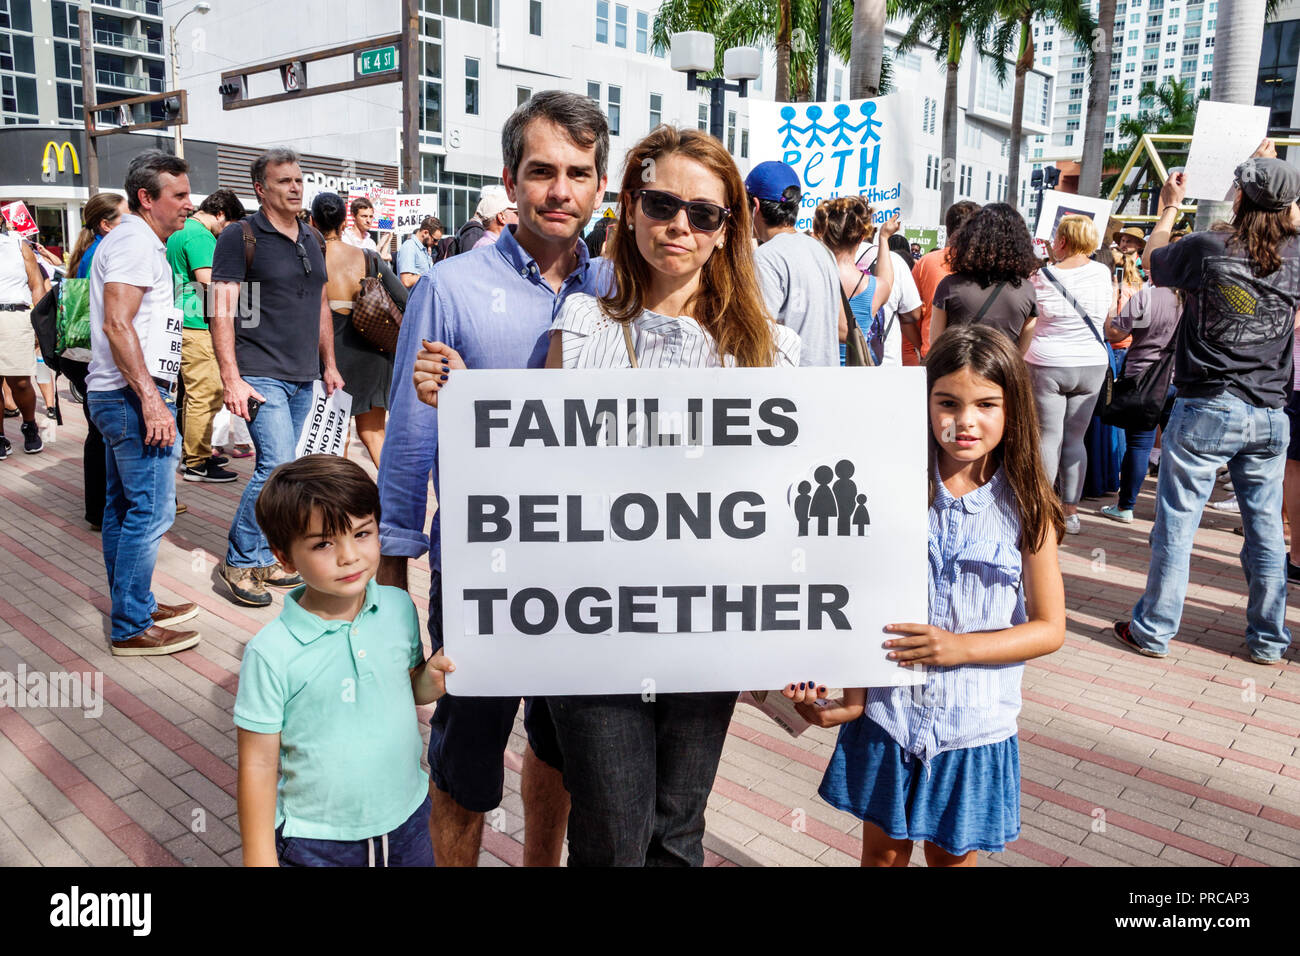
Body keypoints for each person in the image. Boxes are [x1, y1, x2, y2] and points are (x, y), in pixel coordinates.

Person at [423, 125, 800, 867]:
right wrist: (470, 408)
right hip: (592, 621)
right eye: (661, 204)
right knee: (613, 835)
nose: (680, 226)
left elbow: (784, 500)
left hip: (705, 623)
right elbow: (535, 465)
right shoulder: (583, 324)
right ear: (629, 208)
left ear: (728, 229)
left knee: (677, 833)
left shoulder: (770, 351)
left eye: (704, 213)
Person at [378, 90, 610, 868]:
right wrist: (391, 585)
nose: (560, 190)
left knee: (559, 748)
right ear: (511, 181)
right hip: (483, 571)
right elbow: (410, 443)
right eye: (542, 171)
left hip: (589, 572)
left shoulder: (619, 290)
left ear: (599, 187)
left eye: (579, 173)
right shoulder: (450, 287)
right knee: (464, 762)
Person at [785, 323, 1065, 867]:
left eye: (986, 404)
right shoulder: (888, 489)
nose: (965, 421)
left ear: (1013, 409)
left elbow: (1050, 628)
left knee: (951, 861)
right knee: (882, 858)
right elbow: (862, 599)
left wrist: (961, 647)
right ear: (924, 402)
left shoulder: (1029, 505)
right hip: (889, 718)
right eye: (947, 403)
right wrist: (853, 697)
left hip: (972, 730)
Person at [1116, 148, 1299, 666]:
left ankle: (1154, 630)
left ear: (1238, 198)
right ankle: (1268, 639)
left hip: (1208, 407)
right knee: (1266, 531)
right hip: (1270, 411)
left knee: (1177, 523)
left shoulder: (1206, 247)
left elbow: (1153, 262)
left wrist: (1169, 208)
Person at [234, 454, 453, 867]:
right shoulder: (271, 652)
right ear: (284, 557)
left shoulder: (398, 607)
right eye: (323, 543)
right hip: (318, 842)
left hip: (408, 821)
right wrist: (259, 858)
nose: (349, 555)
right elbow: (258, 764)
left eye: (362, 533)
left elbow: (406, 687)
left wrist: (431, 679)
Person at [209, 147, 343, 608]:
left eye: (298, 180)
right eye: (284, 181)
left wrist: (329, 364)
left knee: (290, 473)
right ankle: (240, 560)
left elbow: (321, 304)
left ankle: (265, 557)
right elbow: (221, 308)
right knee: (276, 467)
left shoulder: (311, 237)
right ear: (260, 189)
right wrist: (231, 377)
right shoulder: (241, 235)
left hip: (304, 375)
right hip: (260, 372)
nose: (295, 187)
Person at [85, 149, 201, 656]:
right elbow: (118, 324)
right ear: (146, 198)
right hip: (132, 396)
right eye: (179, 195)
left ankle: (136, 606)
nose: (189, 203)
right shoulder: (134, 242)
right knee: (151, 513)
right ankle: (131, 625)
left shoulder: (137, 241)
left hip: (122, 394)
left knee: (123, 508)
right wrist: (152, 401)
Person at [1026, 214, 1113, 535]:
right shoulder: (1104, 273)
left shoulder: (1042, 276)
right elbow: (1108, 316)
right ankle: (1071, 513)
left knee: (1048, 437)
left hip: (1048, 362)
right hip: (1091, 363)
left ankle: (1042, 510)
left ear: (1062, 240)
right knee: (1076, 439)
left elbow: (1031, 319)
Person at [311, 191, 409, 468]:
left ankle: (340, 494)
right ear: (345, 222)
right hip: (373, 354)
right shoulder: (369, 258)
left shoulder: (310, 260)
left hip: (329, 358)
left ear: (313, 222)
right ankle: (395, 492)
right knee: (374, 434)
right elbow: (404, 300)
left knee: (335, 435)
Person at [170, 189, 246, 484]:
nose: (227, 235)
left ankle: (194, 454)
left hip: (184, 320)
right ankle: (197, 463)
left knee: (194, 395)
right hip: (196, 323)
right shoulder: (200, 235)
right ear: (221, 214)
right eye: (229, 227)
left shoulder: (182, 230)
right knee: (206, 395)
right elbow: (210, 280)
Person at [748, 160, 848, 367]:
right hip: (828, 378)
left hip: (791, 381)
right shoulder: (823, 251)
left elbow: (757, 335)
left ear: (755, 206)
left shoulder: (767, 257)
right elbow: (841, 327)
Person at [1098, 282, 1182, 523]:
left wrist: (1111, 309)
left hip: (1144, 380)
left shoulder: (1148, 297)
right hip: (1181, 380)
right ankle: (1167, 510)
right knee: (1176, 449)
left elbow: (1115, 334)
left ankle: (1125, 507)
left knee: (1139, 444)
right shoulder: (1193, 298)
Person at [930, 202, 1039, 354]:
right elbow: (1020, 354)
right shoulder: (1027, 291)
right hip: (1002, 368)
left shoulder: (949, 286)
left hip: (957, 367)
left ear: (971, 238)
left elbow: (936, 344)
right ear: (1020, 245)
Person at [815, 197, 896, 366]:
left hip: (814, 375)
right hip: (855, 377)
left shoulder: (809, 279)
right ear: (861, 238)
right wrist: (884, 237)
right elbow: (886, 280)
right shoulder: (875, 288)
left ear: (823, 234)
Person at [0, 218, 49, 459]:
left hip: (15, 316)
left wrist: (39, 324)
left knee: (19, 381)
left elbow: (37, 285)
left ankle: (29, 425)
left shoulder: (18, 244)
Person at [909, 201, 980, 365]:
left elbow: (910, 314)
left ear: (948, 229)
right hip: (976, 356)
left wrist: (923, 346)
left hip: (934, 352)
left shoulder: (926, 262)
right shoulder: (987, 264)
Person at [853, 209, 924, 366]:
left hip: (838, 364)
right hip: (885, 363)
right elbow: (913, 313)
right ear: (872, 230)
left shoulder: (828, 260)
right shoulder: (894, 261)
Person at [396, 216, 441, 289]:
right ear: (425, 233)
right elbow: (406, 281)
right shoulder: (409, 246)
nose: (436, 244)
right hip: (411, 296)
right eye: (435, 240)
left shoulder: (423, 249)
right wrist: (430, 276)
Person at [342, 196, 391, 261]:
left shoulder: (371, 243)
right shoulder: (343, 239)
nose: (368, 220)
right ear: (353, 216)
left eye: (371, 217)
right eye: (364, 216)